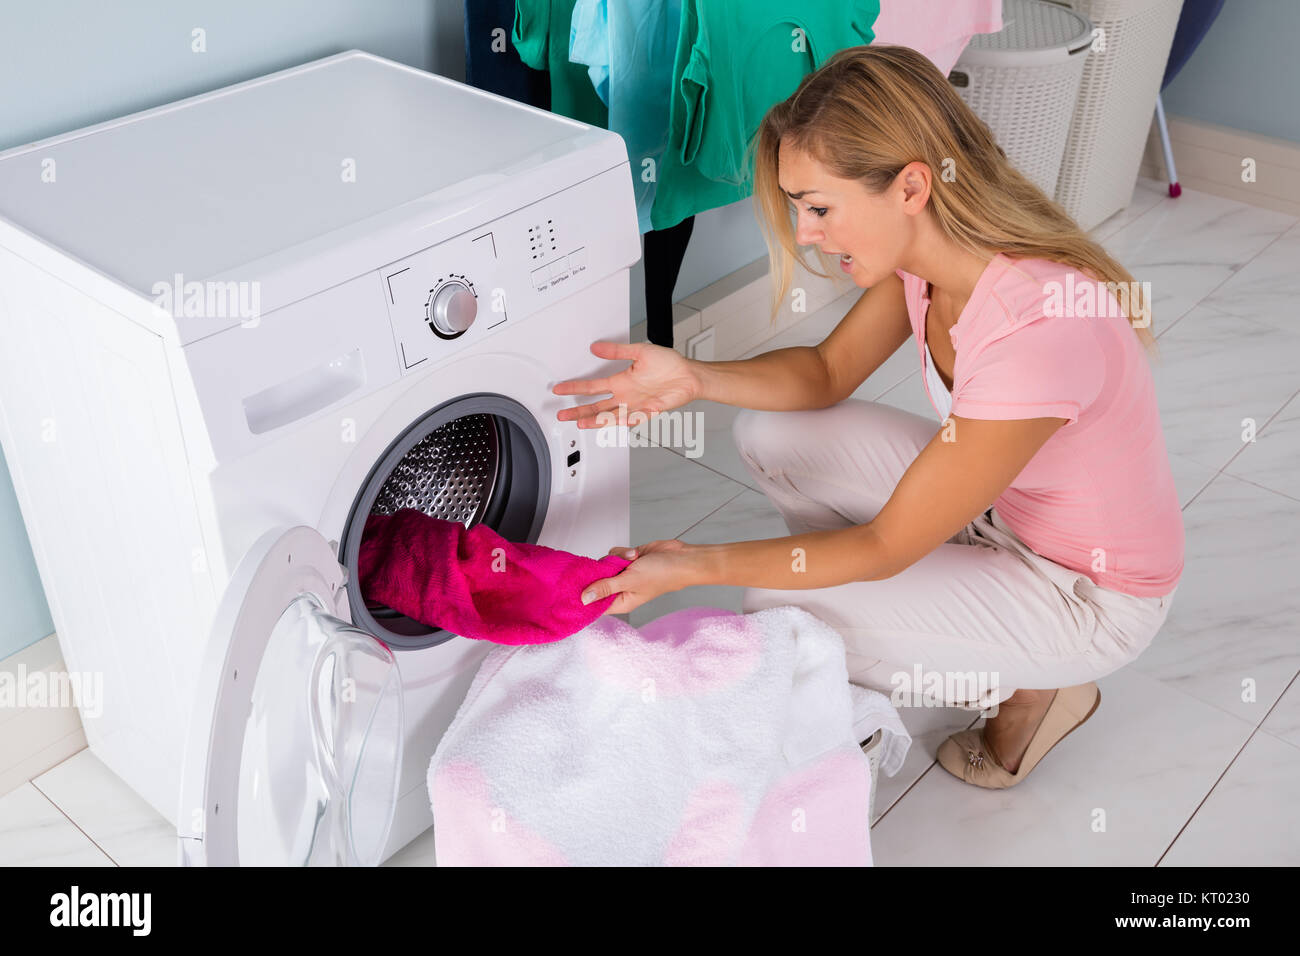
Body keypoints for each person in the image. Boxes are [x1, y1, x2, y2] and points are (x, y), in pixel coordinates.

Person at [549, 45, 1183, 790]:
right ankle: (904, 626)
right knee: (772, 435)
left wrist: (698, 564)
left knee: (782, 601)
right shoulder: (931, 260)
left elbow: (885, 544)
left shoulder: (1035, 329)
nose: (806, 232)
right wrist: (693, 377)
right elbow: (824, 374)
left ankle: (1031, 685)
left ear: (911, 187)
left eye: (819, 207)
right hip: (1004, 516)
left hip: (1085, 594)